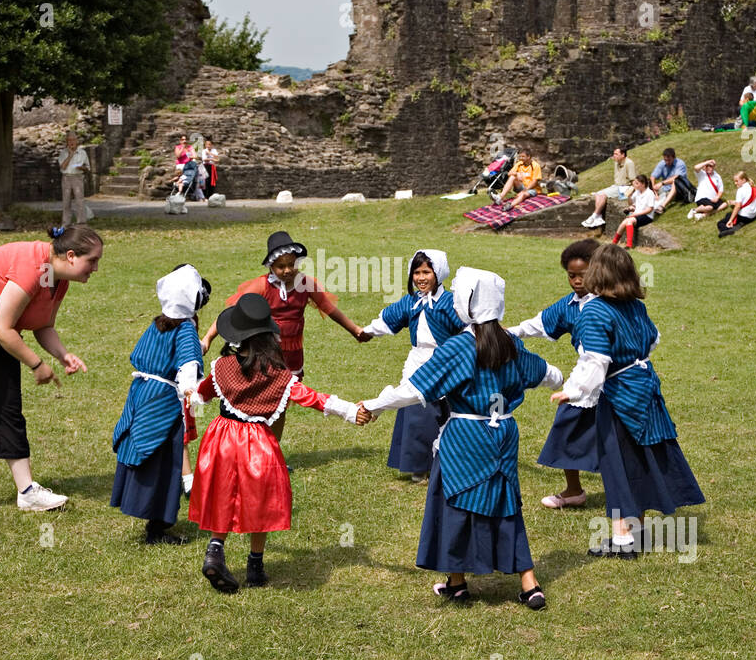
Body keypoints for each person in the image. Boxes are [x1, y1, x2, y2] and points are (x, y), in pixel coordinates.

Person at [360, 267, 564, 609]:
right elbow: (548, 374)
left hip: (466, 434)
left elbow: (414, 389)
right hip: (504, 434)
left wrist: (374, 405)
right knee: (505, 502)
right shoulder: (510, 342)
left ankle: (457, 582)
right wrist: (567, 383)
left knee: (453, 500)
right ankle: (530, 583)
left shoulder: (461, 346)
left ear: (469, 302)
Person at [189, 293, 364, 592]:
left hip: (221, 438)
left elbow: (200, 396)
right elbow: (313, 398)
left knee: (223, 494)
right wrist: (350, 410)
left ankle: (215, 549)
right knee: (260, 502)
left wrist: (188, 401)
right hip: (258, 445)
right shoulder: (280, 377)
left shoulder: (222, 367)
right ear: (270, 335)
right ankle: (255, 564)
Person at [0, 226, 103, 516]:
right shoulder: (32, 265)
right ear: (72, 256)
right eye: (93, 261)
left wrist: (62, 355)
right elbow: (2, 327)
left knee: (9, 405)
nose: (96, 268)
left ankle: (27, 492)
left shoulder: (57, 278)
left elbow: (43, 325)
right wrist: (37, 364)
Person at [550, 245, 704, 557]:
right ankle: (638, 529)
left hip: (621, 396)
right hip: (646, 389)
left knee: (617, 462)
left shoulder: (595, 310)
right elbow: (653, 338)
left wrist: (574, 390)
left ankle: (623, 540)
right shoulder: (635, 306)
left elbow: (596, 360)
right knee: (641, 459)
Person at [201, 231, 368, 444]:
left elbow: (328, 308)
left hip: (293, 354)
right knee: (261, 401)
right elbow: (235, 313)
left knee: (281, 403)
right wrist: (207, 338)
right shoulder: (261, 286)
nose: (287, 270)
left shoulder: (305, 284)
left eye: (292, 264)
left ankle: (272, 448)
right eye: (281, 266)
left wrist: (354, 330)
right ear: (271, 266)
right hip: (266, 353)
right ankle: (252, 443)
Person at [111, 264, 210, 544]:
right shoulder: (186, 331)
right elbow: (188, 367)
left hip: (141, 393)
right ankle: (156, 526)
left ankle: (149, 515)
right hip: (164, 401)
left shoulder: (157, 323)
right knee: (164, 458)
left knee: (145, 447)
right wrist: (193, 395)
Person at [506, 238, 601, 510]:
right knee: (566, 424)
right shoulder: (570, 305)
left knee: (618, 437)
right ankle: (573, 490)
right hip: (585, 376)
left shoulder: (609, 303)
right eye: (572, 275)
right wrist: (505, 331)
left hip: (613, 379)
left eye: (584, 275)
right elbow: (538, 323)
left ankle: (631, 491)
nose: (577, 281)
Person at [358, 249, 463, 483]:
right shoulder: (411, 302)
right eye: (416, 272)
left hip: (446, 361)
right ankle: (418, 466)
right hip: (418, 360)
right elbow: (388, 318)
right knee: (417, 414)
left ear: (439, 272)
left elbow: (467, 328)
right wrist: (364, 331)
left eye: (427, 271)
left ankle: (448, 462)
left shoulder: (451, 302)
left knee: (449, 412)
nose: (421, 277)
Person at [581, 147, 637, 228]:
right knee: (598, 194)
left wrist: (632, 193)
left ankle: (594, 216)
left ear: (623, 155)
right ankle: (598, 217)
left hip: (624, 188)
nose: (614, 156)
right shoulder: (616, 163)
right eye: (614, 154)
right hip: (616, 186)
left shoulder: (629, 163)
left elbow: (633, 180)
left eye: (616, 154)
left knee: (602, 195)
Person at [611, 174, 656, 249]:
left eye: (637, 183)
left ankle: (629, 245)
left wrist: (636, 214)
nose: (634, 184)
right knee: (623, 223)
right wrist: (629, 197)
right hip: (637, 214)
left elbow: (650, 209)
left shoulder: (649, 193)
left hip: (647, 216)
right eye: (634, 182)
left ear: (643, 184)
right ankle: (613, 243)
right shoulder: (637, 192)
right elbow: (632, 204)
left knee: (629, 221)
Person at [58, 131, 89, 226]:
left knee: (80, 201)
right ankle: (66, 223)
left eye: (73, 140)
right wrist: (70, 155)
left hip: (77, 177)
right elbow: (62, 167)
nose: (71, 142)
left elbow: (87, 168)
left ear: (77, 141)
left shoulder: (82, 153)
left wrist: (82, 167)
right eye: (69, 140)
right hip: (66, 178)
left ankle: (81, 222)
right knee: (66, 201)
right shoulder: (63, 153)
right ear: (67, 141)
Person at [717, 171, 756, 237]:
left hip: (744, 216)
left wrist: (730, 220)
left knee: (720, 223)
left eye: (737, 181)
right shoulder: (755, 189)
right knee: (728, 214)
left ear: (743, 180)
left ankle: (728, 230)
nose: (735, 183)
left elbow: (738, 206)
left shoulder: (740, 190)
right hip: (752, 216)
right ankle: (738, 225)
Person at [651, 146, 692, 214]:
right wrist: (654, 190)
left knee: (675, 182)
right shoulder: (662, 163)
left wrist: (662, 183)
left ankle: (662, 206)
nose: (667, 162)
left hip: (680, 188)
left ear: (674, 157)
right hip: (665, 188)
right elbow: (653, 176)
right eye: (665, 160)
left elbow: (676, 177)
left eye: (669, 160)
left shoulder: (680, 164)